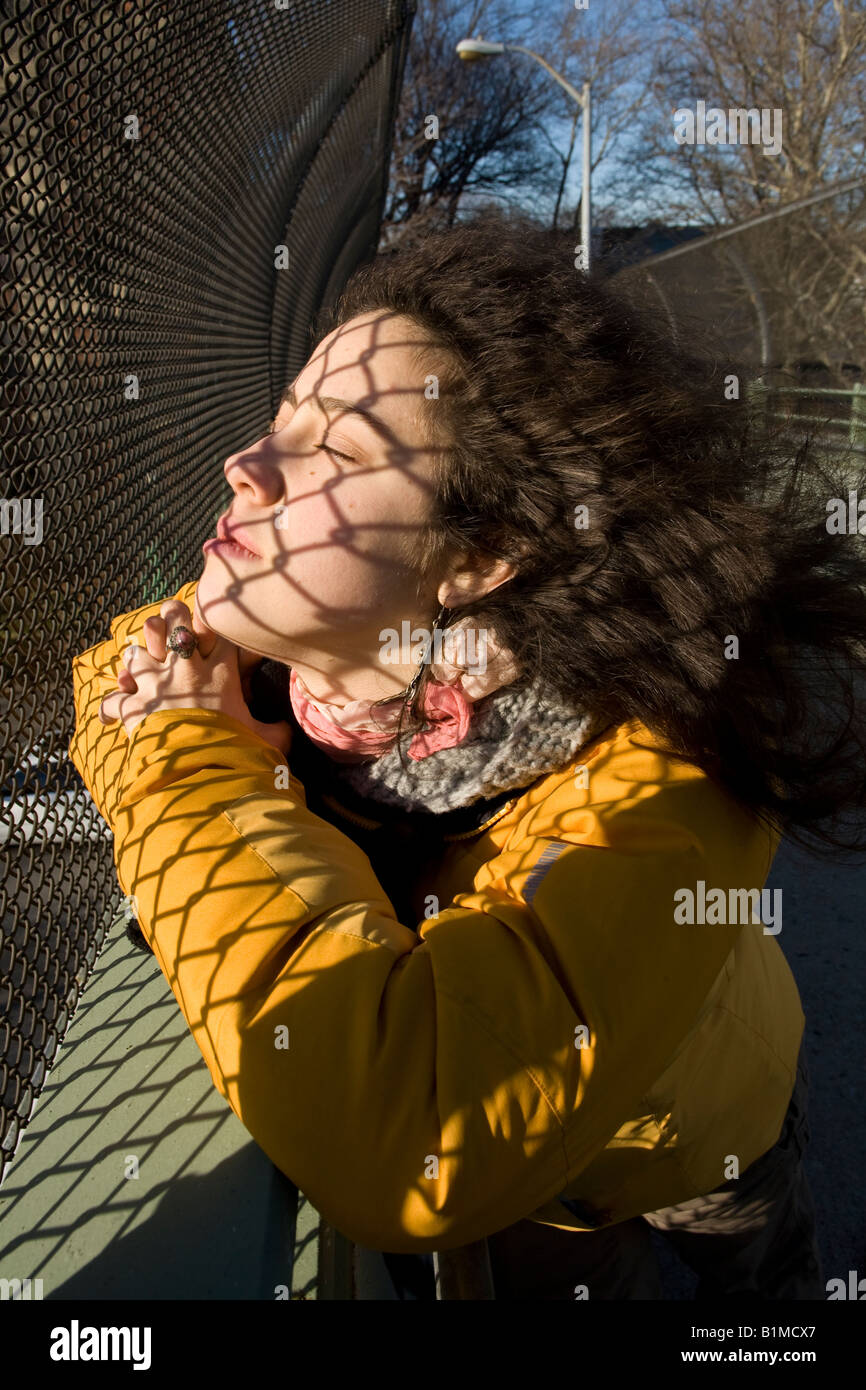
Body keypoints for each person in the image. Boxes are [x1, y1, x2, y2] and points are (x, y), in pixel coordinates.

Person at [69, 211, 866, 1300]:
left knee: (761, 1281)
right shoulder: (250, 654)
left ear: (483, 555)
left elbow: (413, 1140)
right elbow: (113, 664)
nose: (246, 463)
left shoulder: (661, 777)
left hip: (697, 1127)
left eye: (338, 453)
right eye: (282, 420)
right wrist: (192, 728)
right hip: (538, 1188)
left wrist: (198, 755)